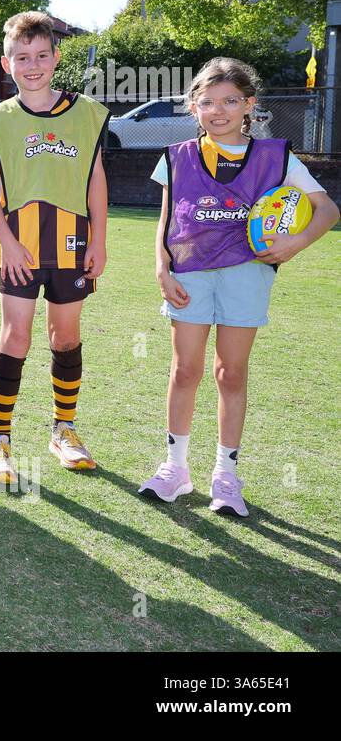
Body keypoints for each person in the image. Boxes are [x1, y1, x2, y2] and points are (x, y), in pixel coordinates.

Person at [141, 57, 338, 517]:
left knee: (230, 372)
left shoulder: (275, 156)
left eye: (231, 101)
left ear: (249, 104)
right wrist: (161, 267)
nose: (219, 110)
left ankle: (226, 474)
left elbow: (326, 210)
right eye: (207, 102)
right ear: (193, 107)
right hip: (189, 271)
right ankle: (175, 468)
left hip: (247, 272)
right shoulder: (177, 155)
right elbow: (168, 219)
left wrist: (295, 243)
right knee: (184, 370)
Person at [0, 11, 109, 486]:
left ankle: (64, 429)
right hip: (19, 246)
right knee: (15, 336)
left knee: (66, 336)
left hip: (72, 245)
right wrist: (6, 242)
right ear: (7, 64)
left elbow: (95, 180)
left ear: (55, 57)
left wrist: (100, 238)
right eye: (22, 57)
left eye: (41, 55)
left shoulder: (87, 113)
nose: (32, 65)